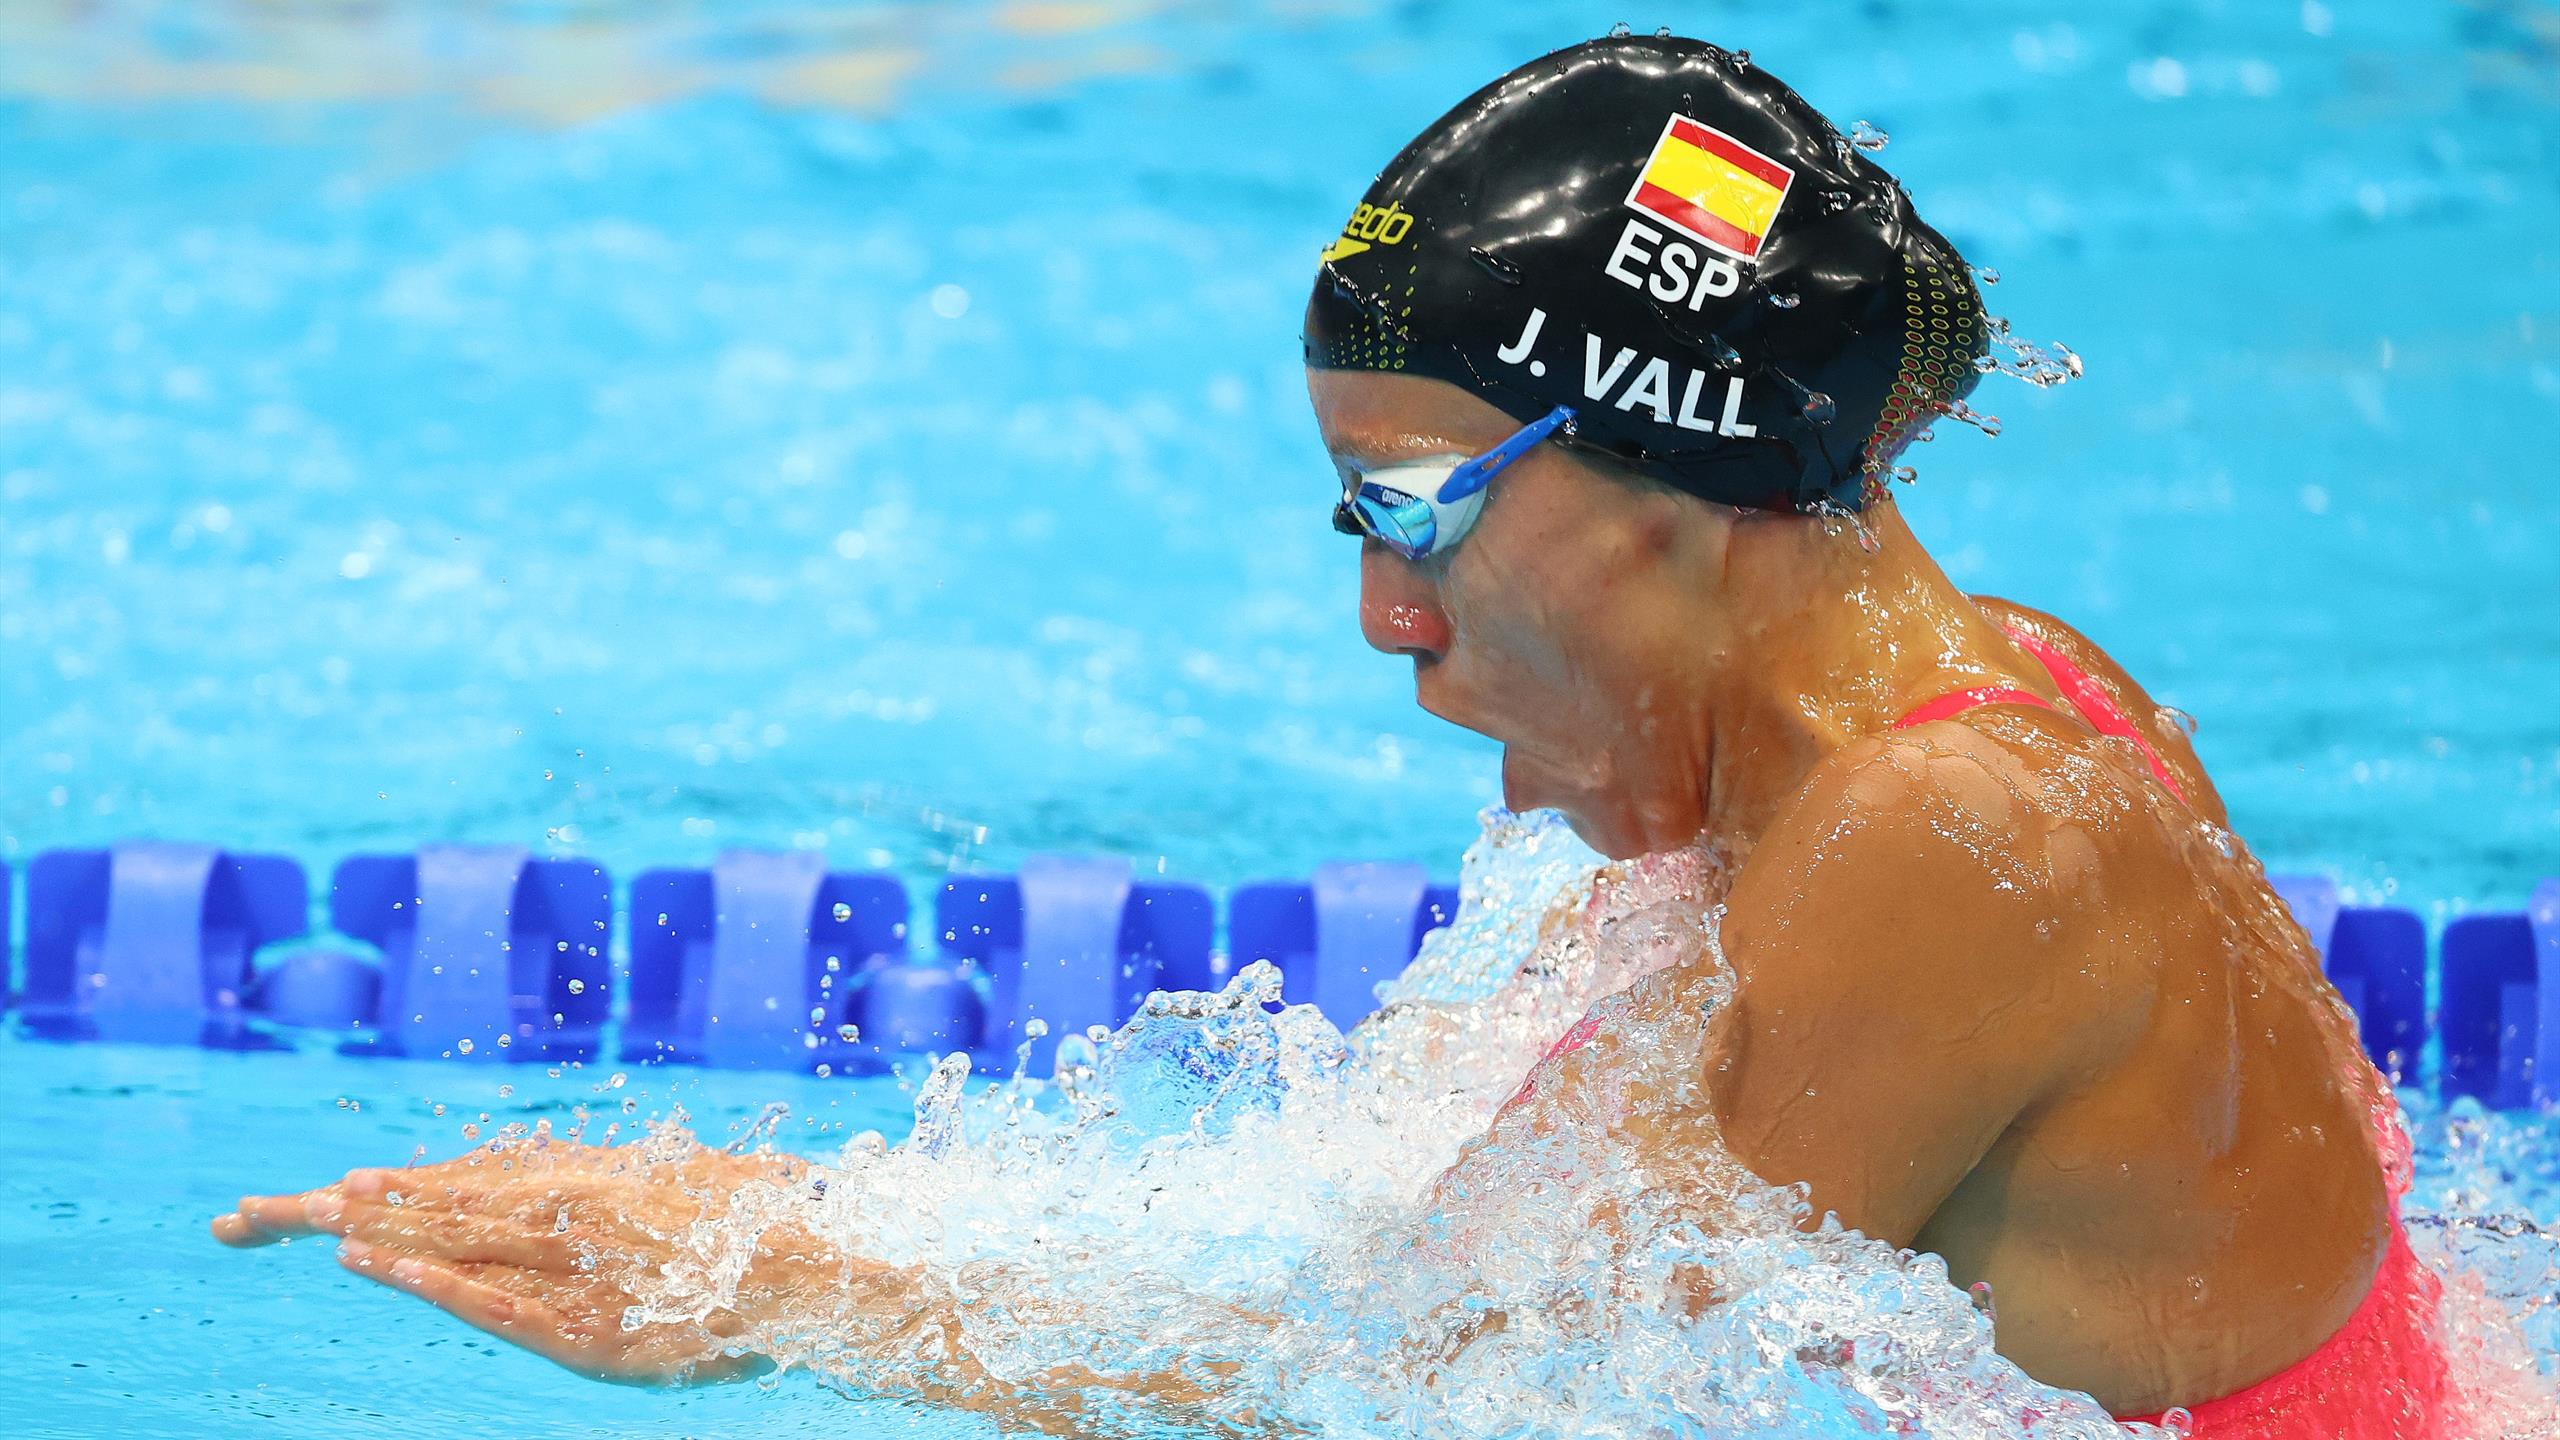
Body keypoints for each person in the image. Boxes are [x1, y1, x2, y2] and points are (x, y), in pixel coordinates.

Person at [212, 35, 2452, 1438]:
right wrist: (791, 1209)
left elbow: (1455, 1401)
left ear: (1659, 486)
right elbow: (1430, 1265)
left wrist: (773, 1304)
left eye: (1409, 512)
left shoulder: (1950, 839)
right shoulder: (1971, 704)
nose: (1383, 615)